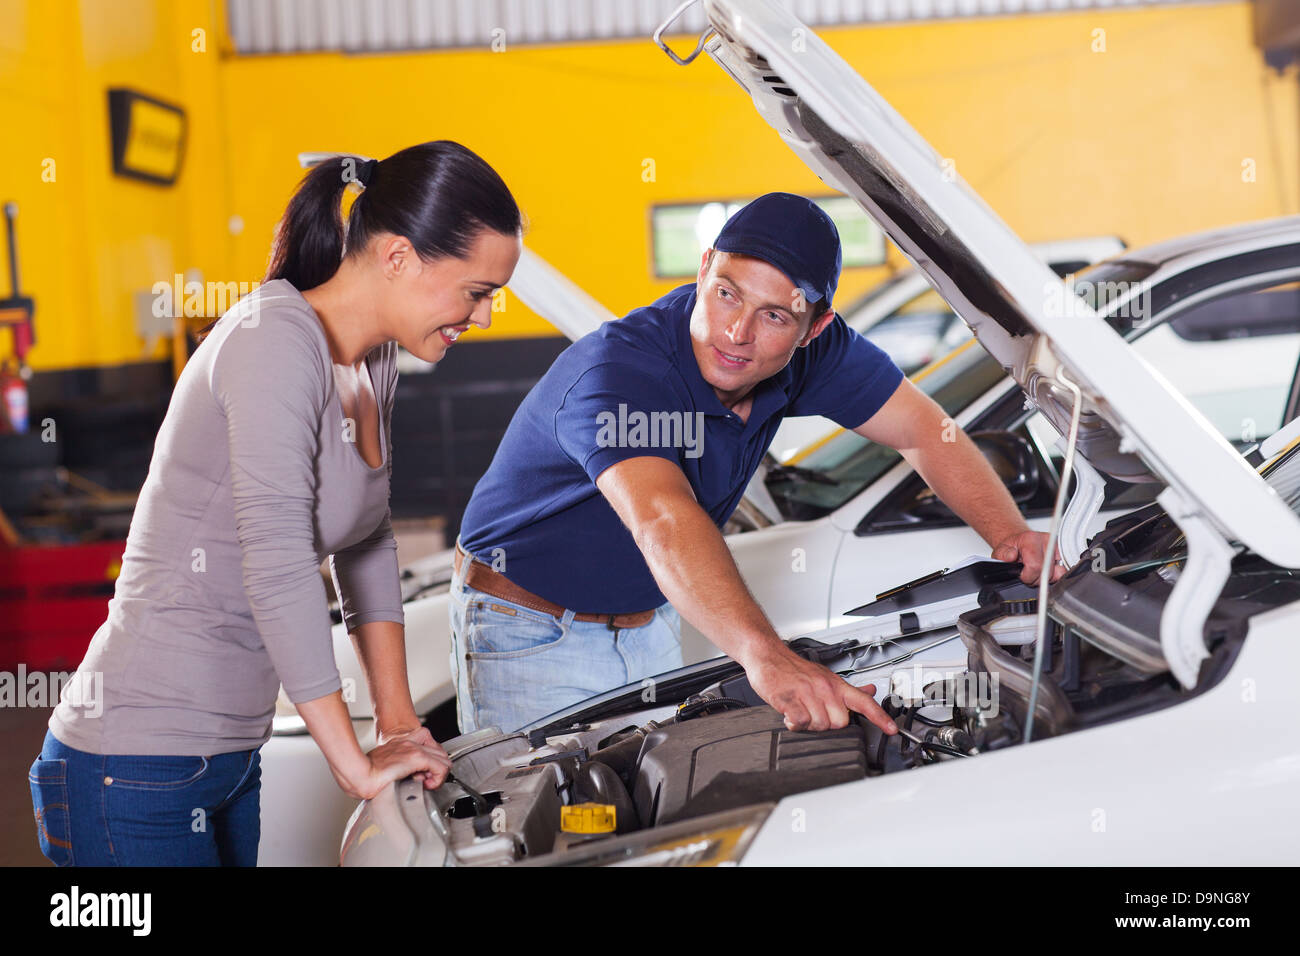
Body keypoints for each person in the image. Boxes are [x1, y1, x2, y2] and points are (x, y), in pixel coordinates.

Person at [29, 141, 523, 866]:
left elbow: (366, 542)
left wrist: (395, 720)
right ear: (397, 258)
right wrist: (351, 763)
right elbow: (279, 559)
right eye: (475, 291)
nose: (482, 316)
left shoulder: (372, 355)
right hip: (134, 761)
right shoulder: (274, 339)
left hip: (229, 755)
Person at [450, 192, 1063, 736]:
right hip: (529, 629)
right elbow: (662, 517)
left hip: (650, 620)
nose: (737, 332)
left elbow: (929, 432)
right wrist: (765, 655)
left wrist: (1010, 536)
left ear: (815, 327)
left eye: (775, 316)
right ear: (703, 269)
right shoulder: (621, 374)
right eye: (726, 293)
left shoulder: (818, 353)